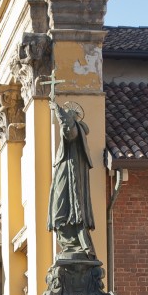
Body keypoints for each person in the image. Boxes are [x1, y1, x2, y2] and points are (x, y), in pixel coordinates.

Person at [47, 102, 95, 256]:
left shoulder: (75, 129)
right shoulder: (71, 128)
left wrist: (59, 112)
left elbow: (69, 132)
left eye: (69, 115)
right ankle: (67, 240)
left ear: (73, 117)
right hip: (65, 169)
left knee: (62, 204)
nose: (66, 117)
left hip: (71, 171)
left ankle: (74, 240)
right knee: (58, 204)